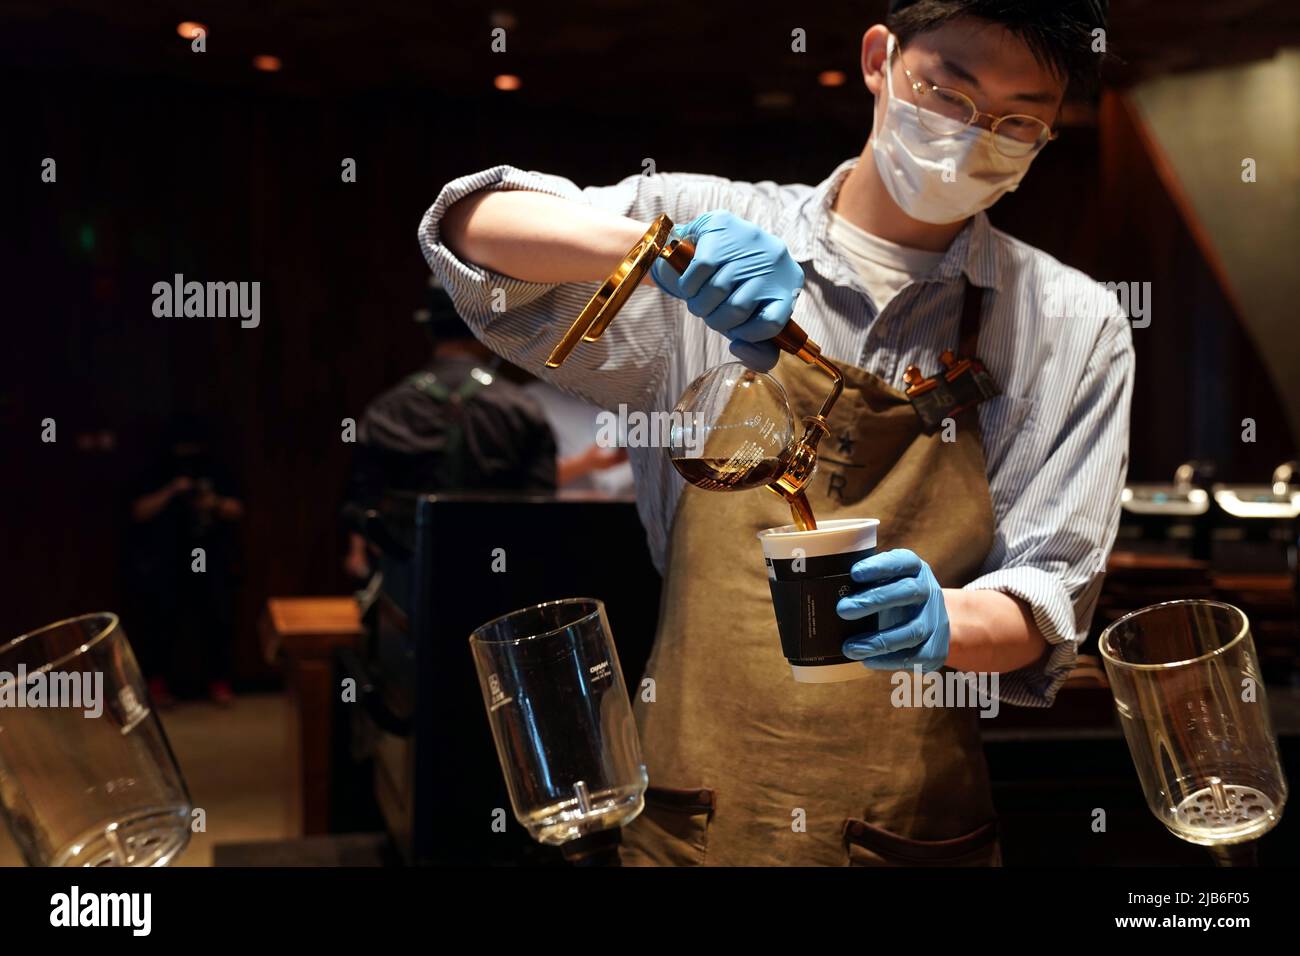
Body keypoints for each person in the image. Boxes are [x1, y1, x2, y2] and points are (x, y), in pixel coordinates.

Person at [420, 0, 1130, 866]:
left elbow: (1049, 588)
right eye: (948, 92)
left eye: (1019, 119)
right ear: (880, 58)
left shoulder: (1072, 320)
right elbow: (470, 231)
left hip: (909, 826)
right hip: (688, 811)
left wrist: (944, 619)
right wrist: (659, 251)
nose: (970, 134)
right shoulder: (711, 215)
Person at [343, 284, 558, 580]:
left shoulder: (386, 409)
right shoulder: (522, 409)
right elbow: (542, 513)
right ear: (486, 329)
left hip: (408, 590)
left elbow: (360, 508)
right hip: (498, 586)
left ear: (430, 329)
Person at [126, 416, 243, 706]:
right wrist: (172, 491)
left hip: (208, 555)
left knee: (217, 618)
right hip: (166, 557)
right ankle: (156, 684)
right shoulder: (157, 469)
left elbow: (238, 508)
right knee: (161, 621)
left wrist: (212, 503)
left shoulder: (213, 467)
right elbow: (137, 511)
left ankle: (220, 682)